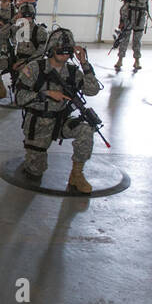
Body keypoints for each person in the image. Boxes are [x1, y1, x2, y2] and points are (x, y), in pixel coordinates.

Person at [13, 28, 102, 194]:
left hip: (60, 122)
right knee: (35, 171)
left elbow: (92, 90)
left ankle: (77, 174)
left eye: (68, 51)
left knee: (86, 129)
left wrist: (84, 63)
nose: (65, 54)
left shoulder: (72, 72)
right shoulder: (35, 68)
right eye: (61, 50)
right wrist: (45, 94)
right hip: (38, 125)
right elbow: (19, 97)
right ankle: (32, 158)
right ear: (52, 49)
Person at [113, 0, 152, 73]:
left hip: (140, 18)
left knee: (137, 40)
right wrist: (121, 20)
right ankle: (120, 59)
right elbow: (124, 6)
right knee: (124, 39)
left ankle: (137, 60)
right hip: (129, 17)